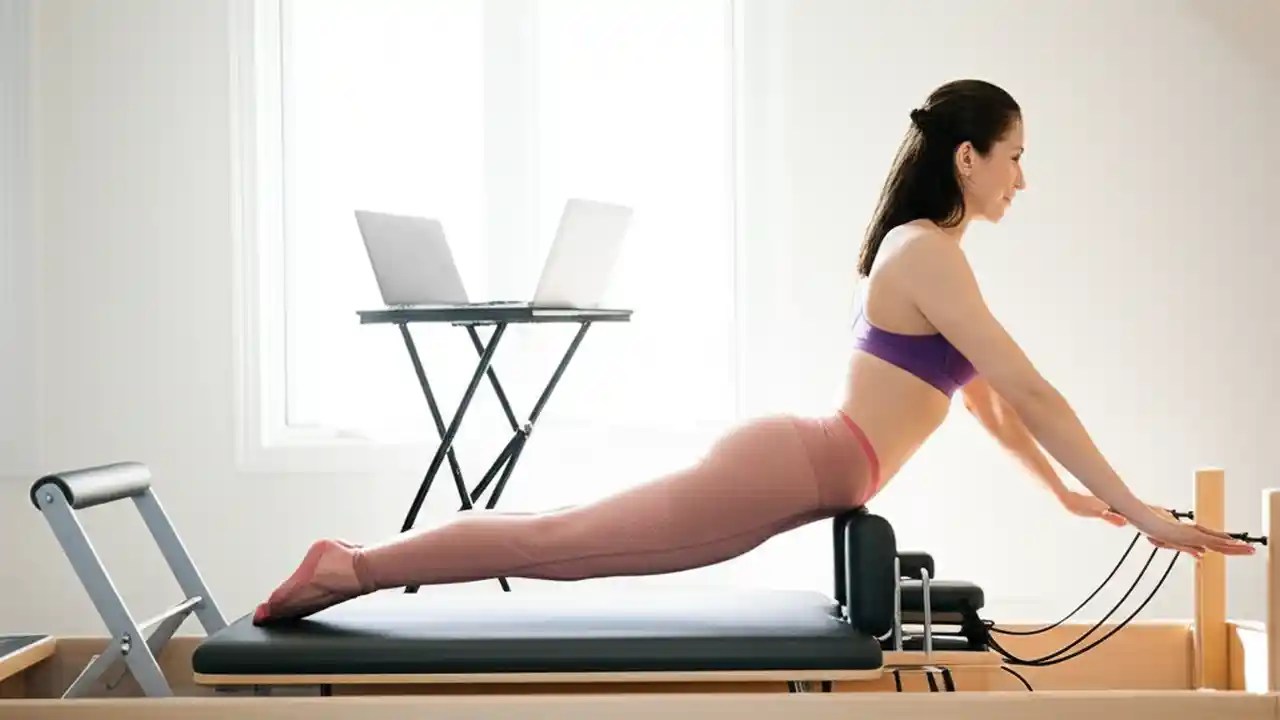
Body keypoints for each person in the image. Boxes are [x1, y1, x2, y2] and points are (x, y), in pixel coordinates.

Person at [252, 78, 1254, 626]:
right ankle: (356, 566)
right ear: (968, 156)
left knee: (556, 527)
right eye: (1015, 156)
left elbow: (996, 403)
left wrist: (1068, 499)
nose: (1020, 180)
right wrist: (1131, 509)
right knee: (559, 546)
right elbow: (1029, 388)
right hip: (796, 464)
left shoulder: (933, 255)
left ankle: (361, 561)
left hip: (798, 463)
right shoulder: (924, 252)